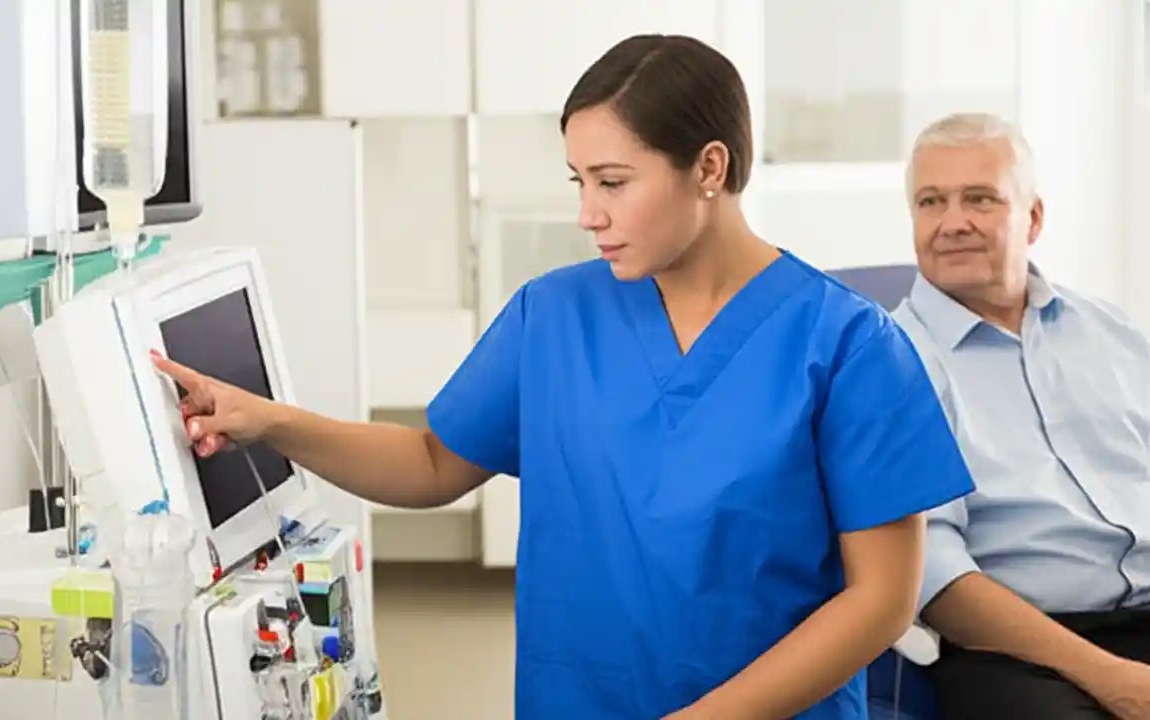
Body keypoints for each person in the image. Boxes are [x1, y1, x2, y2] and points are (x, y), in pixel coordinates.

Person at [154, 35, 974, 719]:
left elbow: (882, 601)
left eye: (613, 182)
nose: (588, 212)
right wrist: (272, 423)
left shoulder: (848, 345)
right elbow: (436, 462)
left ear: (710, 168)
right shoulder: (553, 315)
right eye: (579, 182)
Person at [892, 112, 1150, 719]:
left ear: (1032, 218)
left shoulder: (1114, 334)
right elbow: (935, 581)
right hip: (1016, 651)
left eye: (979, 199)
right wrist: (1110, 676)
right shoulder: (892, 363)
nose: (953, 222)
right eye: (932, 202)